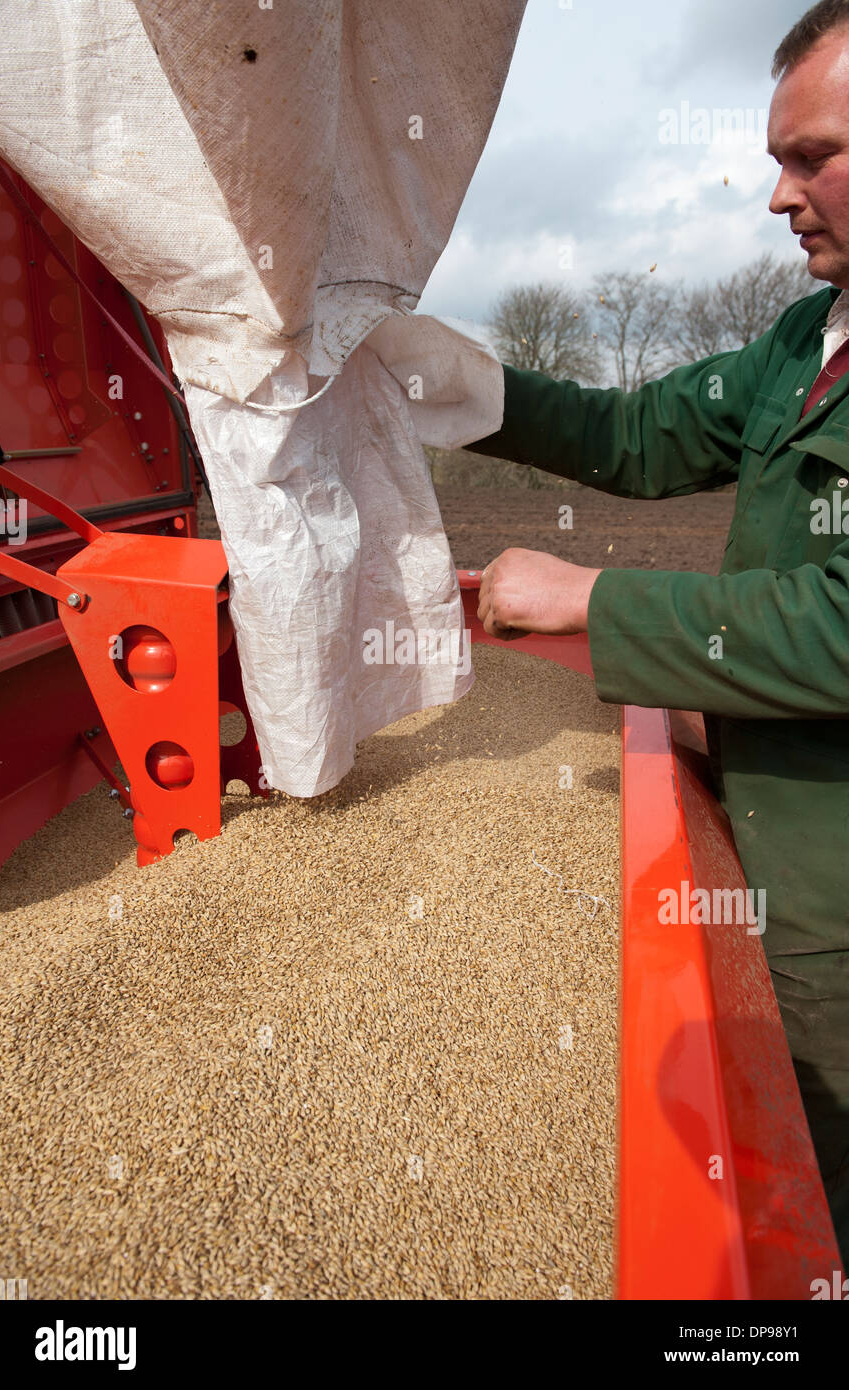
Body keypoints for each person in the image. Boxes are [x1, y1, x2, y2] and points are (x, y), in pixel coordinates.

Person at [466, 0, 849, 1269]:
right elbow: (636, 436)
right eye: (776, 160)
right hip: (764, 810)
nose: (780, 197)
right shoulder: (806, 336)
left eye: (814, 157)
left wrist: (596, 604)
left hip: (834, 890)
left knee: (814, 1189)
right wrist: (465, 388)